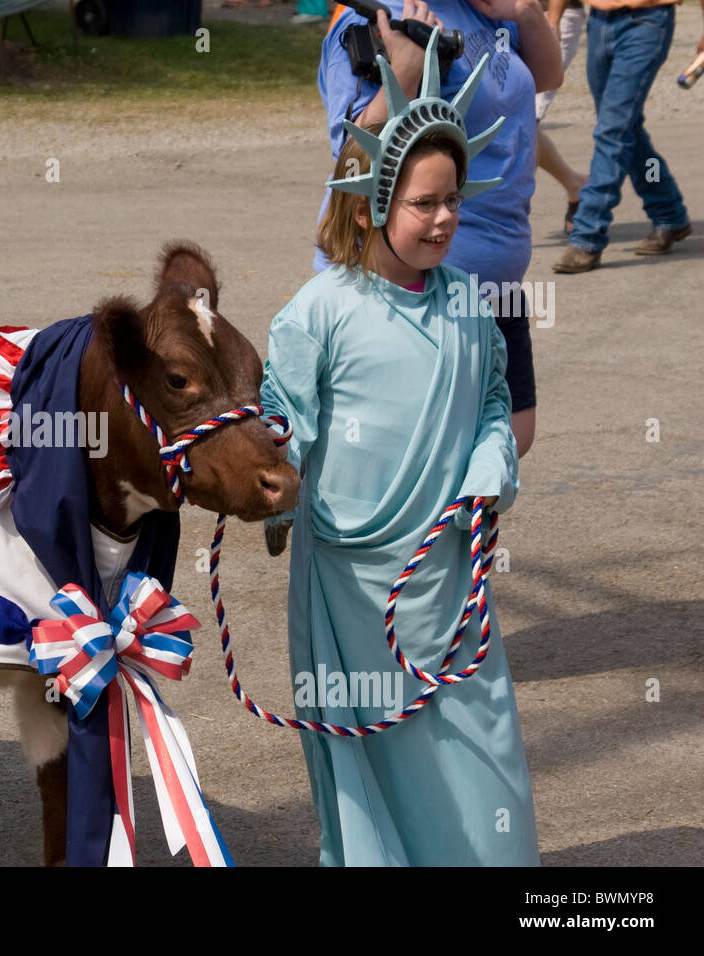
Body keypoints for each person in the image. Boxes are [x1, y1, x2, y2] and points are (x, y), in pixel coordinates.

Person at [261, 32, 540, 865]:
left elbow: (495, 406)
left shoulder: (470, 305)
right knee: (365, 780)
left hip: (449, 583)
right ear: (368, 207)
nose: (446, 218)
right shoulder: (316, 313)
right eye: (425, 203)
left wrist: (491, 474)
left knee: (485, 776)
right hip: (347, 597)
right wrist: (266, 473)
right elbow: (286, 435)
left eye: (453, 198)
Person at [317, 0, 563, 458]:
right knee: (416, 458)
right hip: (413, 292)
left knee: (506, 439)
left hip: (495, 283)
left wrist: (527, 12)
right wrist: (407, 71)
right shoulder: (376, 17)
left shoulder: (488, 8)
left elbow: (546, 78)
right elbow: (351, 160)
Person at [552, 0, 698, 273]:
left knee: (613, 130)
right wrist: (553, 18)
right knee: (625, 129)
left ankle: (588, 235)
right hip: (599, 22)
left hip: (647, 21)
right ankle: (668, 212)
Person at [535, 0, 587, 236]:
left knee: (524, 119)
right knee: (519, 119)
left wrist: (553, 20)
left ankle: (503, 214)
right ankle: (575, 183)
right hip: (501, 19)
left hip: (550, 16)